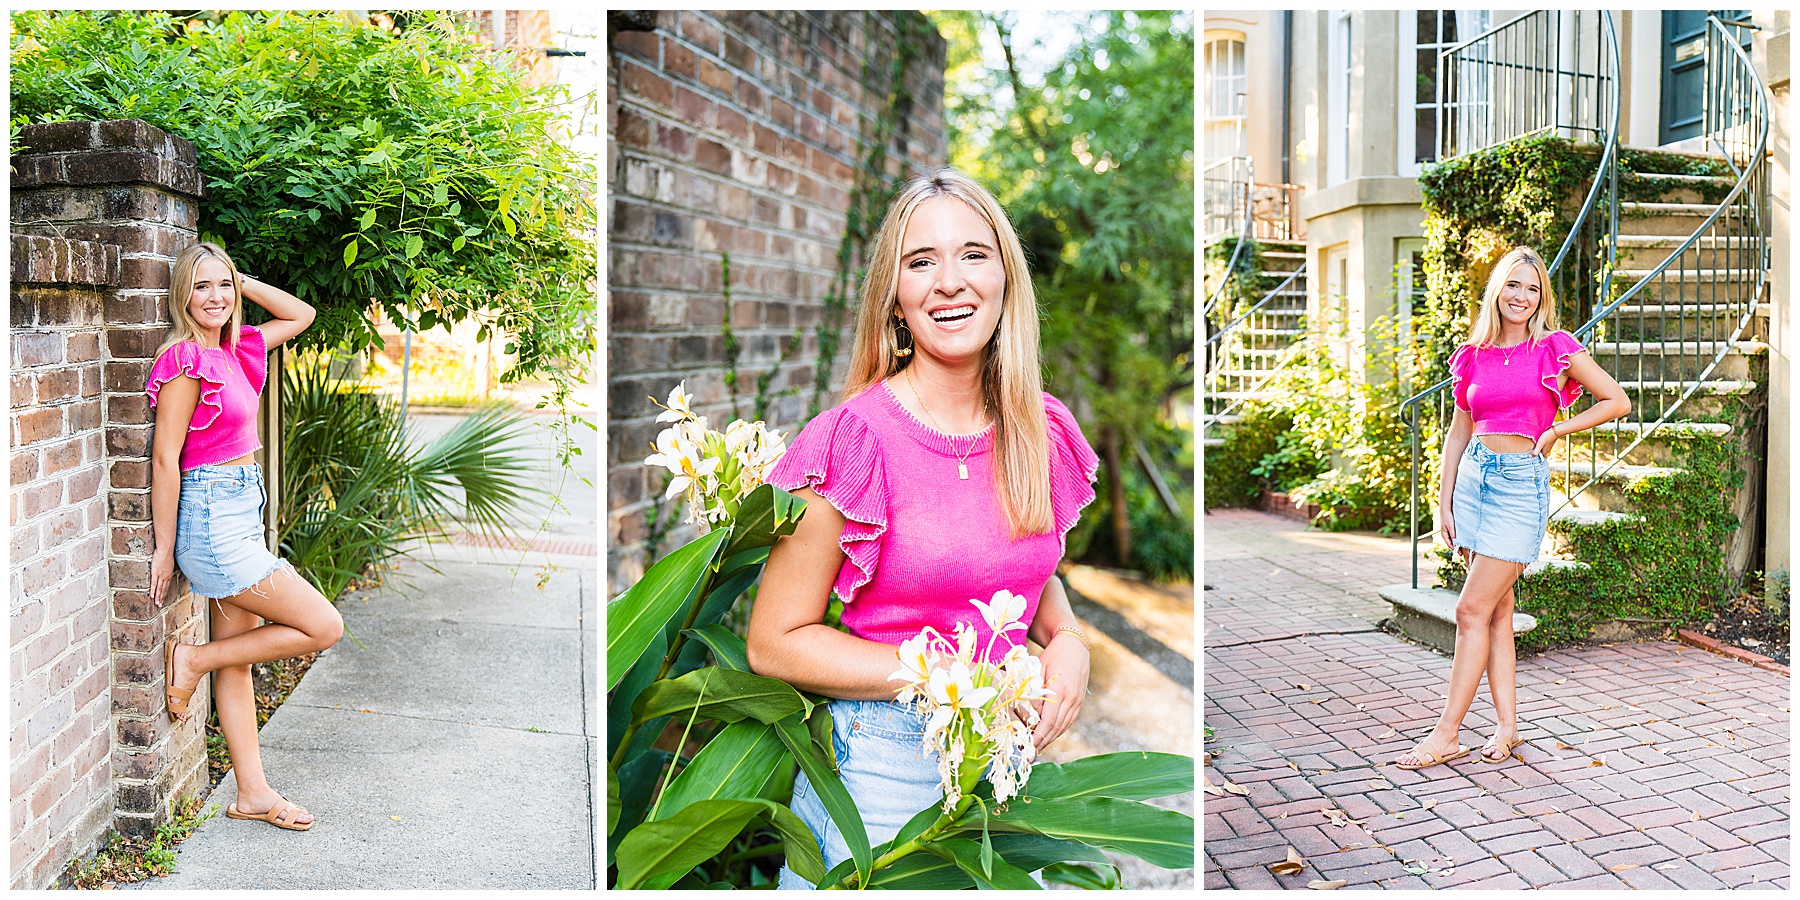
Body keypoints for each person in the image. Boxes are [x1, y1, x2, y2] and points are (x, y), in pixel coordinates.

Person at [746, 169, 1100, 888]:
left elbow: (1022, 575)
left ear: (1006, 279)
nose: (950, 281)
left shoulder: (1042, 429)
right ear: (897, 300)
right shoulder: (851, 441)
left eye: (974, 254)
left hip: (999, 765)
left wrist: (1071, 645)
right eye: (921, 261)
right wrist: (947, 679)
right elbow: (772, 641)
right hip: (879, 769)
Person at [1394, 246, 1631, 771]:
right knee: (1497, 609)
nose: (1521, 297)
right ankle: (1507, 728)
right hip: (1474, 480)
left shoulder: (1556, 349)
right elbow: (1458, 432)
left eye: (1531, 288)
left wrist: (1557, 430)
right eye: (1512, 286)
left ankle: (1446, 733)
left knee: (1468, 610)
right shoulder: (1472, 353)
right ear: (1496, 291)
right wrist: (1443, 501)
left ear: (1541, 296)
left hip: (1520, 484)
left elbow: (1617, 400)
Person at [148, 242, 344, 831]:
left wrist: (242, 278)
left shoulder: (235, 350)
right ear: (183, 294)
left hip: (239, 514)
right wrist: (163, 548)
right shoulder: (187, 361)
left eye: (223, 287)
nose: (215, 298)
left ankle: (252, 793)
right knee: (324, 626)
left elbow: (301, 314)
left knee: (239, 667)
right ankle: (193, 658)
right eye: (202, 286)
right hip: (211, 523)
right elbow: (164, 458)